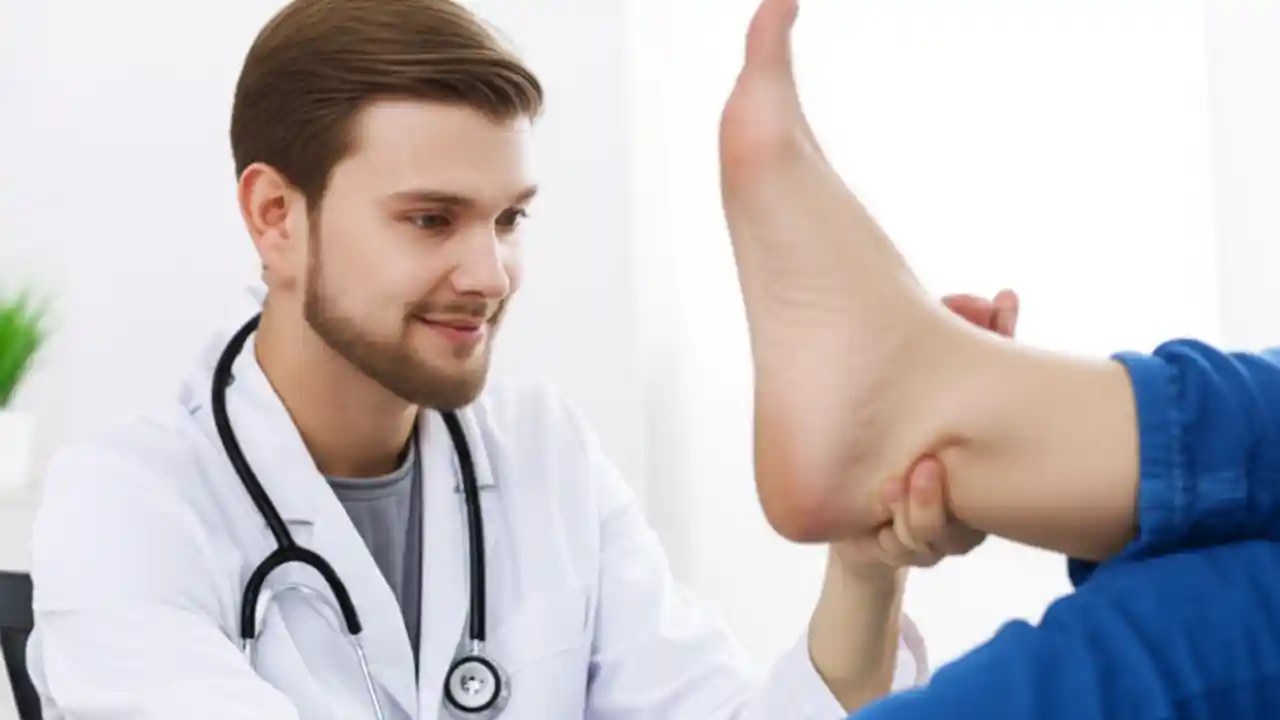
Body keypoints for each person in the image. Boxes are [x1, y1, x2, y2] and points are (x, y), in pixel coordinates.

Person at [20, 1, 1009, 717]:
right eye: (429, 219)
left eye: (508, 219)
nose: (490, 272)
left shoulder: (545, 457)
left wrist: (865, 564)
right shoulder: (126, 504)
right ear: (276, 217)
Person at [718, 0, 1280, 717]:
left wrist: (867, 568)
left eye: (522, 219)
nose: (518, 272)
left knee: (1227, 613)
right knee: (1239, 607)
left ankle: (967, 410)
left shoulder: (563, 467)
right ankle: (969, 411)